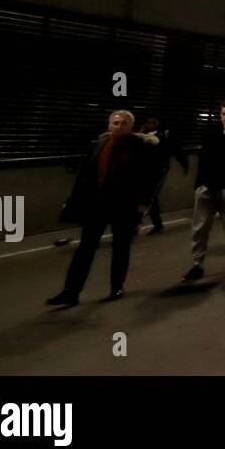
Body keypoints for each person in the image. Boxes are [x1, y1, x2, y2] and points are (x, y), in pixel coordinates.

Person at [46, 110, 160, 305]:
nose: (118, 126)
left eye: (123, 123)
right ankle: (71, 291)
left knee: (120, 247)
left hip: (125, 204)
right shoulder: (100, 144)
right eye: (115, 123)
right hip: (97, 203)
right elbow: (86, 174)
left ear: (130, 126)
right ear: (109, 125)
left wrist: (143, 203)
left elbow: (149, 176)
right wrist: (73, 199)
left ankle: (116, 286)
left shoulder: (140, 146)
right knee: (85, 247)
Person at [182, 101, 225, 282]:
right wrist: (199, 184)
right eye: (222, 114)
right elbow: (204, 158)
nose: (224, 117)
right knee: (200, 226)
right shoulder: (212, 132)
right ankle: (197, 264)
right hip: (208, 185)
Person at [140, 116, 186, 235]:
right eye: (148, 122)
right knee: (144, 195)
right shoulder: (143, 134)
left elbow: (176, 149)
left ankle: (155, 224)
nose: (150, 124)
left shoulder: (164, 134)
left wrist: (184, 164)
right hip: (145, 169)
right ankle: (148, 223)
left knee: (151, 196)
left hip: (159, 168)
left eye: (153, 122)